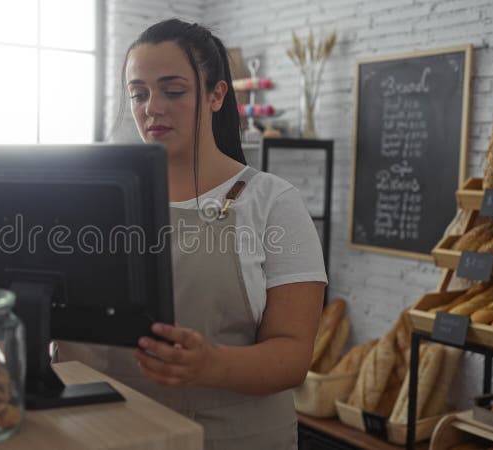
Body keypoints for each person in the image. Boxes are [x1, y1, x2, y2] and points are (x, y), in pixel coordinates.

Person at [58, 18, 327, 449]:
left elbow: (293, 356)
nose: (152, 108)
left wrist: (210, 365)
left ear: (217, 94)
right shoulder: (96, 202)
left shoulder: (273, 203)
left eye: (173, 91)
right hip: (111, 434)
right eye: (138, 93)